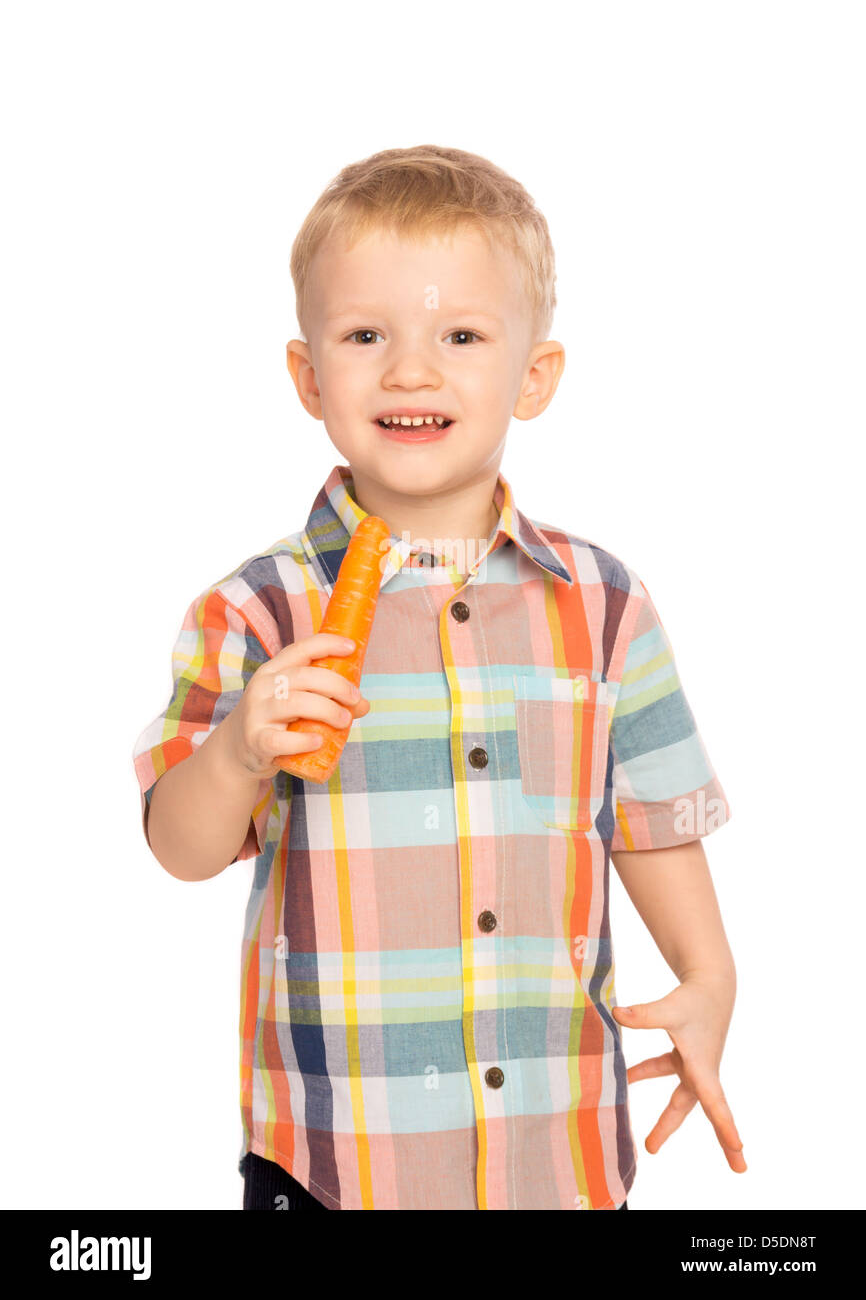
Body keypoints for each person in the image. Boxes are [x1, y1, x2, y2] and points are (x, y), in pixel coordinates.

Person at [132, 144, 745, 1211]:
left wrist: (707, 977)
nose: (410, 371)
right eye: (367, 336)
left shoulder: (602, 605)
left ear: (533, 375)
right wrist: (237, 749)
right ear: (309, 376)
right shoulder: (254, 609)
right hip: (334, 1163)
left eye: (459, 336)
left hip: (559, 1159)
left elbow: (649, 820)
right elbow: (179, 849)